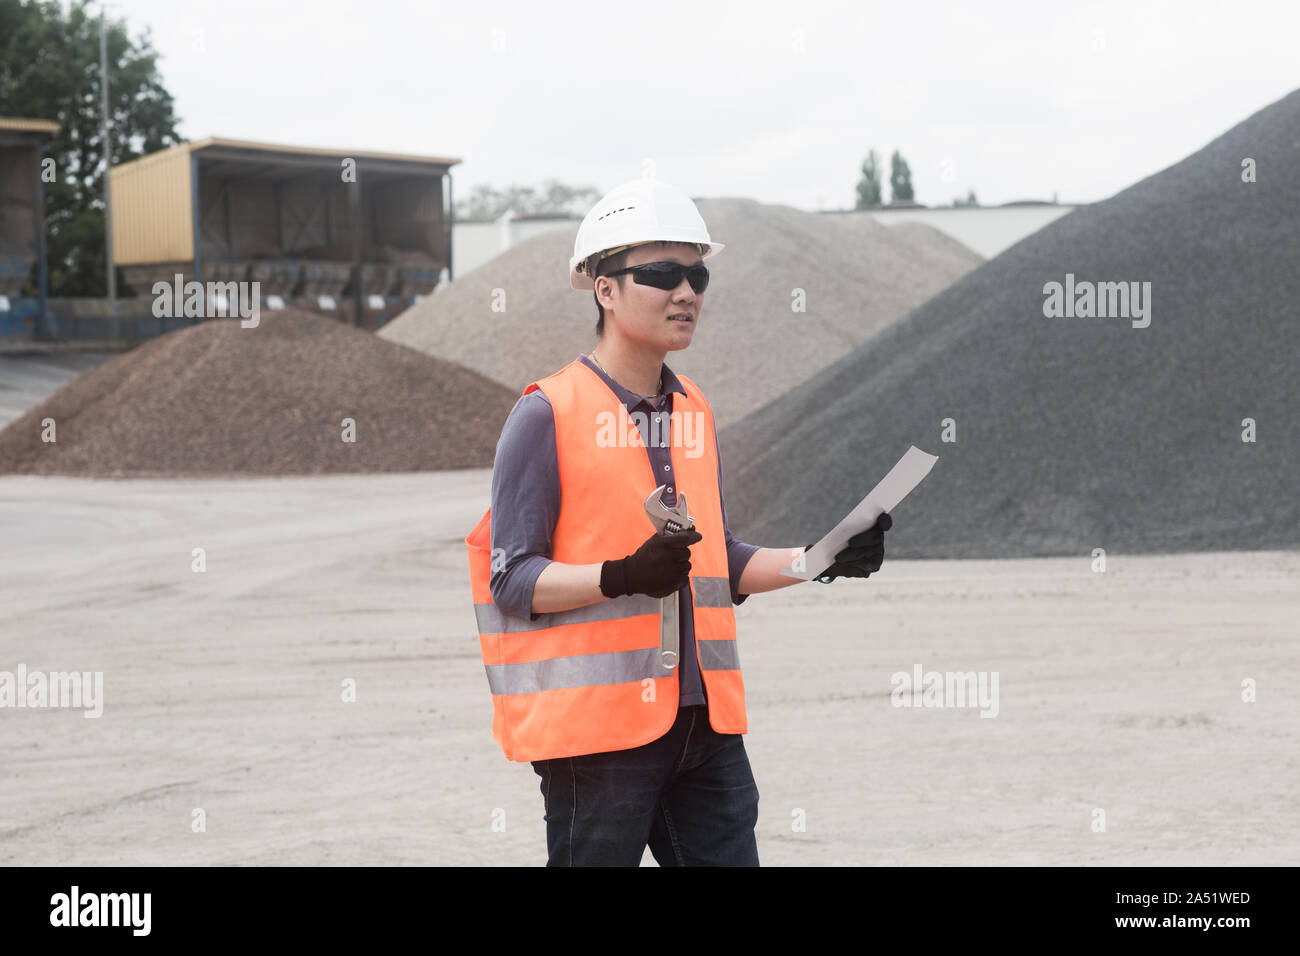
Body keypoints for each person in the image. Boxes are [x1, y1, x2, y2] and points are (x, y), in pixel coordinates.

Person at [464, 177, 891, 866]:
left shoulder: (692, 408)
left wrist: (816, 558)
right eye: (662, 273)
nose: (686, 291)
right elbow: (512, 579)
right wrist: (622, 576)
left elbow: (715, 562)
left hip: (705, 728)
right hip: (600, 743)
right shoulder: (546, 415)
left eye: (696, 273)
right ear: (605, 288)